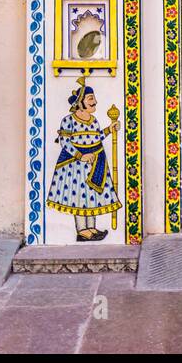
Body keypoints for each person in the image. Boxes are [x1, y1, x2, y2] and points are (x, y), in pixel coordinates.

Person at [47, 77, 120, 241]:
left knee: (91, 196)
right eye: (91, 99)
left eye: (94, 98)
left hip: (94, 161)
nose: (95, 102)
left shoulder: (93, 120)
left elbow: (96, 137)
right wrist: (81, 156)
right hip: (75, 164)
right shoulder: (69, 120)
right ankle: (82, 230)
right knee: (79, 197)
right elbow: (65, 142)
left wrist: (109, 129)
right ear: (80, 102)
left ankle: (91, 228)